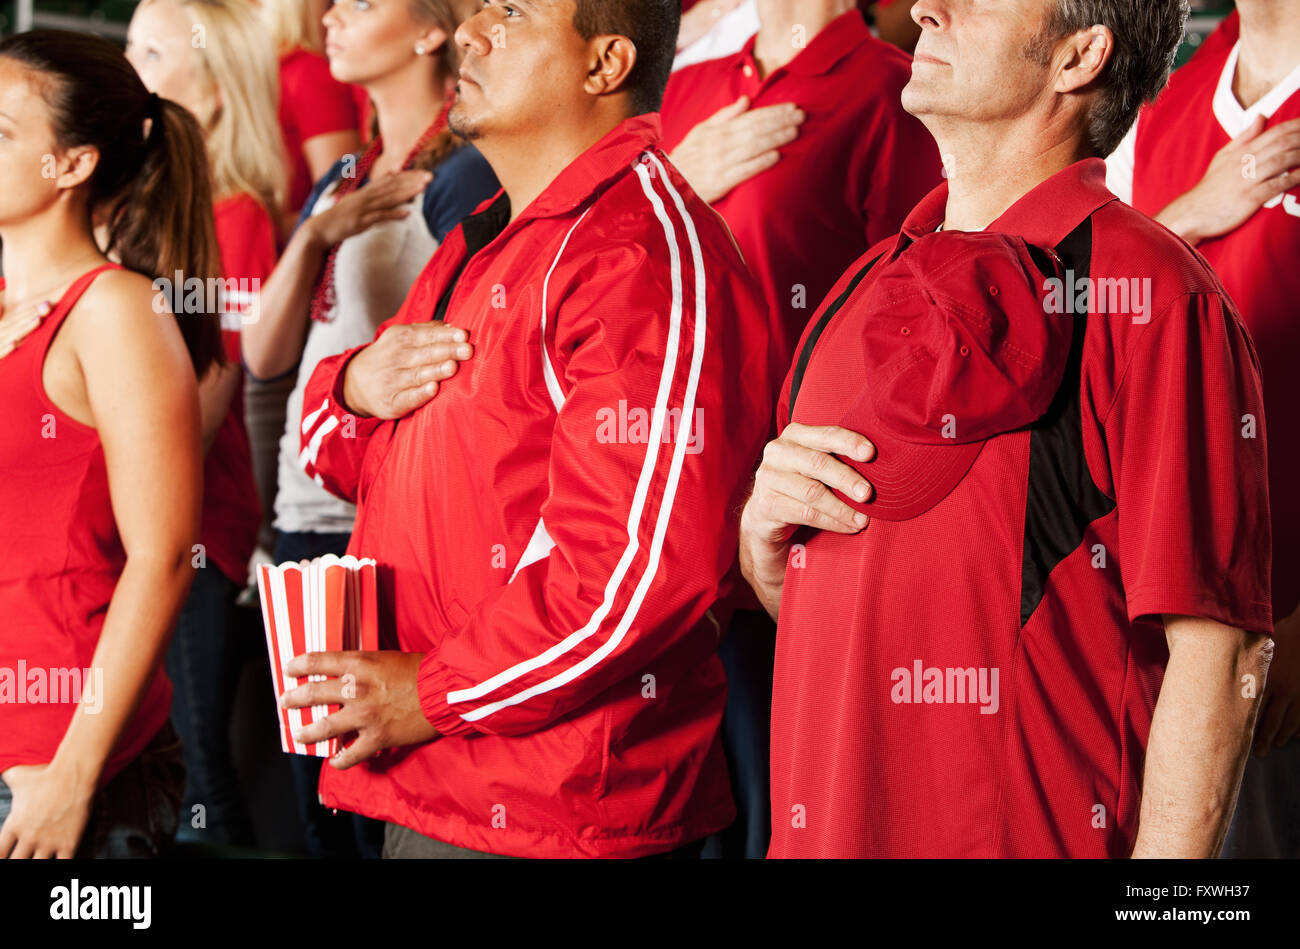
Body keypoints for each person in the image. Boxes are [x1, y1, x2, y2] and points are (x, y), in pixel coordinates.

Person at [740, 0, 1274, 858]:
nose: (925, 7)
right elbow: (847, 608)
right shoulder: (853, 291)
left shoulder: (1158, 300)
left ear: (1078, 57)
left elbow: (1222, 654)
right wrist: (764, 551)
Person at [282, 0, 778, 858]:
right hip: (429, 782)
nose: (472, 33)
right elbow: (331, 455)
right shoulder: (479, 244)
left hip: (550, 813)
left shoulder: (640, 255)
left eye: (510, 11)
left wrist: (430, 694)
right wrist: (353, 387)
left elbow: (635, 577)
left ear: (604, 64)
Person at [660, 0, 941, 858]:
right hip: (667, 525)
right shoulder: (693, 87)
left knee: (782, 811)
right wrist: (672, 185)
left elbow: (918, 332)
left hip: (799, 528)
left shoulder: (897, 94)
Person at [242, 0, 495, 859]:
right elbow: (267, 354)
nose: (333, 13)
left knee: (362, 799)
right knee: (314, 801)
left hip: (370, 523)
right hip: (300, 508)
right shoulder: (348, 171)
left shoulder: (462, 173)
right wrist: (315, 235)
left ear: (433, 32)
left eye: (365, 0)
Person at [0, 29, 220, 858]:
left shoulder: (115, 310)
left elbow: (164, 554)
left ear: (71, 164)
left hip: (53, 763)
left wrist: (73, 774)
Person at [1106, 0, 1300, 859]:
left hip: (1281, 623)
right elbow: (1084, 312)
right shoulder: (1161, 94)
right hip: (1148, 621)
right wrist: (1192, 212)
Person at [126, 0, 286, 849]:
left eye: (152, 53)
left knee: (197, 765)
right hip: (141, 518)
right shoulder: (144, 211)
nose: (132, 70)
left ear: (214, 91)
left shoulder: (238, 217)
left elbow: (208, 397)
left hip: (193, 528)